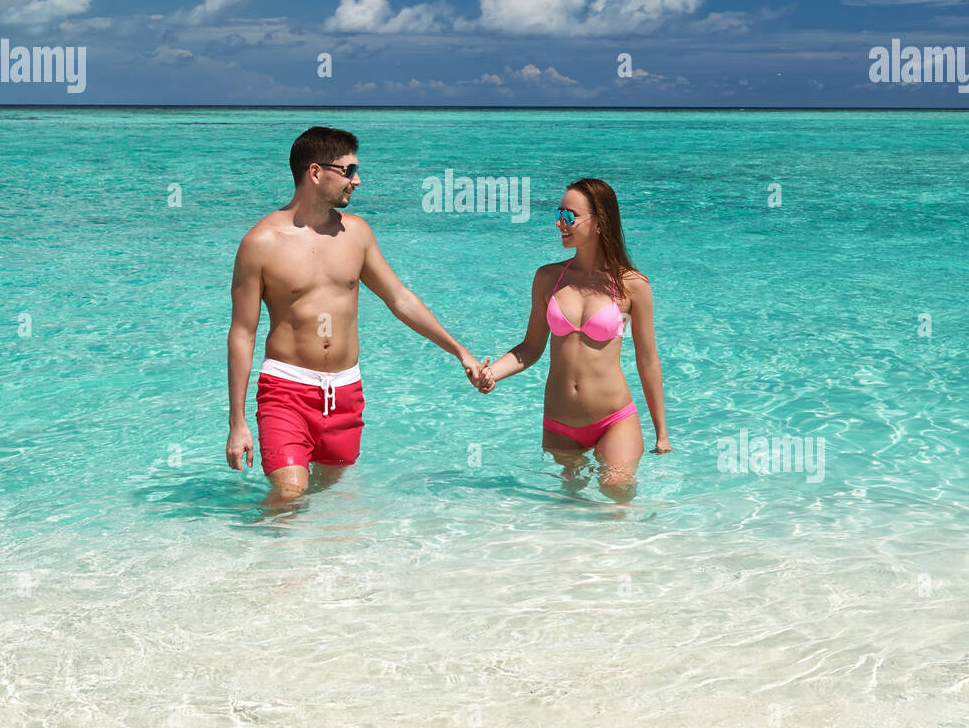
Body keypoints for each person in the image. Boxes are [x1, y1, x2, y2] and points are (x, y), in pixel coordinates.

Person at [226, 126, 483, 499]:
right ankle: (266, 555)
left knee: (329, 500)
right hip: (286, 390)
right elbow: (242, 333)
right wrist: (237, 422)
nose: (357, 181)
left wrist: (461, 352)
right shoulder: (260, 243)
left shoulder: (357, 233)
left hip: (346, 393)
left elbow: (400, 299)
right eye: (348, 170)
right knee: (289, 495)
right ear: (315, 172)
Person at [478, 178, 670, 485]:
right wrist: (492, 374)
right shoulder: (548, 277)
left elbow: (647, 361)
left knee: (617, 492)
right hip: (559, 424)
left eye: (570, 216)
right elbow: (531, 347)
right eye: (558, 214)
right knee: (567, 510)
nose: (559, 223)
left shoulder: (633, 285)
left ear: (599, 222)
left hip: (614, 420)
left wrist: (662, 433)